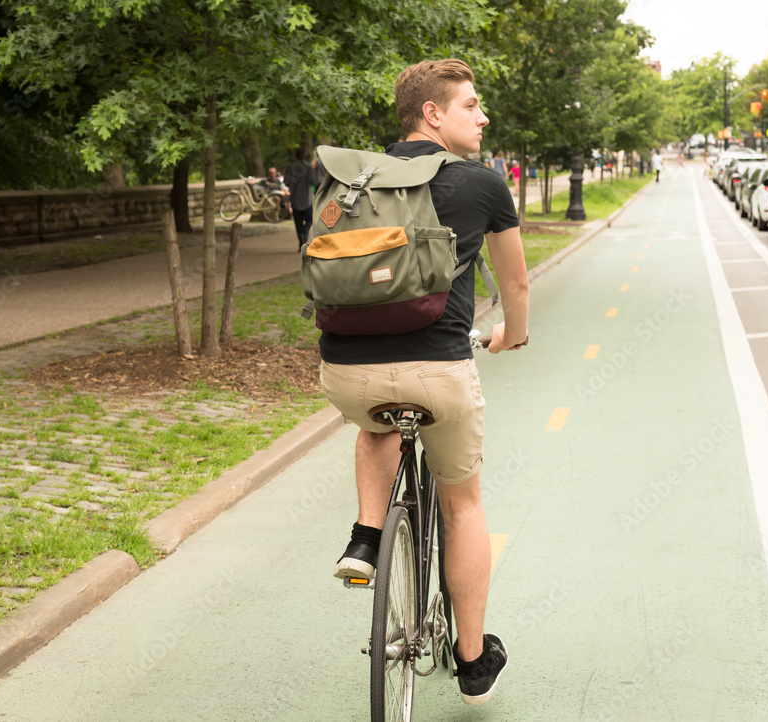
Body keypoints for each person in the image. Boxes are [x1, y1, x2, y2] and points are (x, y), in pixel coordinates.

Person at [322, 58, 528, 705]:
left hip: (345, 370)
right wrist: (512, 332)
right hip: (440, 370)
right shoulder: (481, 184)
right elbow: (515, 283)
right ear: (432, 114)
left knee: (375, 421)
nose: (483, 115)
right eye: (472, 104)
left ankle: (365, 535)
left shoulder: (351, 179)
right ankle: (471, 661)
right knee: (462, 502)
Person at [284, 149, 318, 250]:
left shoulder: (290, 168)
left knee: (298, 222)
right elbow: (314, 181)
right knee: (309, 219)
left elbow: (286, 182)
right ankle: (305, 233)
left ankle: (301, 239)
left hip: (294, 199)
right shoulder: (308, 168)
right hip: (306, 199)